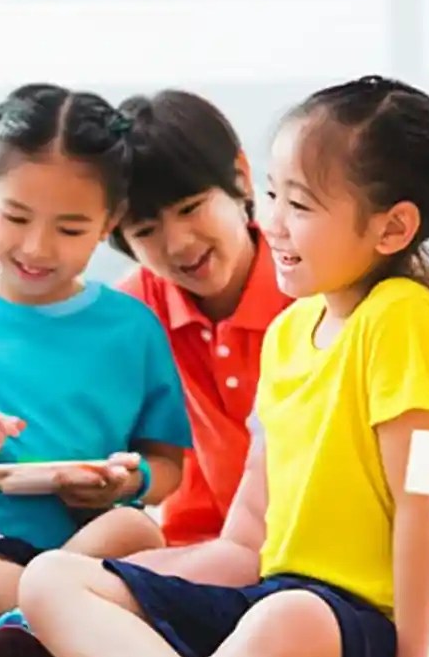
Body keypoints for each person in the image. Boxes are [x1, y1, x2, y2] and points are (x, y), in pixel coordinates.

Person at [16, 74, 429, 657]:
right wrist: (140, 584)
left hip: (374, 624)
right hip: (276, 598)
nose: (271, 222)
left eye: (298, 206)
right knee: (51, 578)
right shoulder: (289, 331)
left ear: (391, 229)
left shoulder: (401, 317)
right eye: (274, 196)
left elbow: (422, 511)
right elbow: (245, 544)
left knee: (284, 619)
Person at [0, 82, 193, 657]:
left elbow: (168, 468)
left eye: (70, 228)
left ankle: (32, 626)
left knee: (137, 527)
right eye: (15, 217)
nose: (37, 247)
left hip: (99, 547)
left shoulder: (132, 327)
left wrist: (128, 480)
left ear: (110, 222)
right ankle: (58, 628)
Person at [112, 89, 293, 550]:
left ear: (241, 177)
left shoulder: (313, 285)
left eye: (191, 208)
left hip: (308, 555)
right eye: (145, 231)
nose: (178, 245)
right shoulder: (130, 314)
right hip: (192, 554)